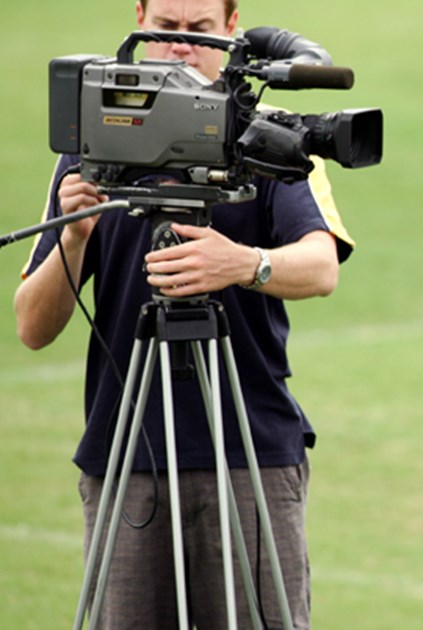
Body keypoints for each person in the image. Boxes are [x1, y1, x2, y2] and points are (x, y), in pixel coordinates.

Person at [13, 0, 353, 627]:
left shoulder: (264, 136)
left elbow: (321, 266)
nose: (180, 46)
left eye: (199, 31)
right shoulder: (95, 138)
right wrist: (75, 237)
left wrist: (243, 263)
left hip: (250, 453)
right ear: (139, 17)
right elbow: (32, 327)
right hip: (126, 455)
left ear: (232, 27)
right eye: (165, 29)